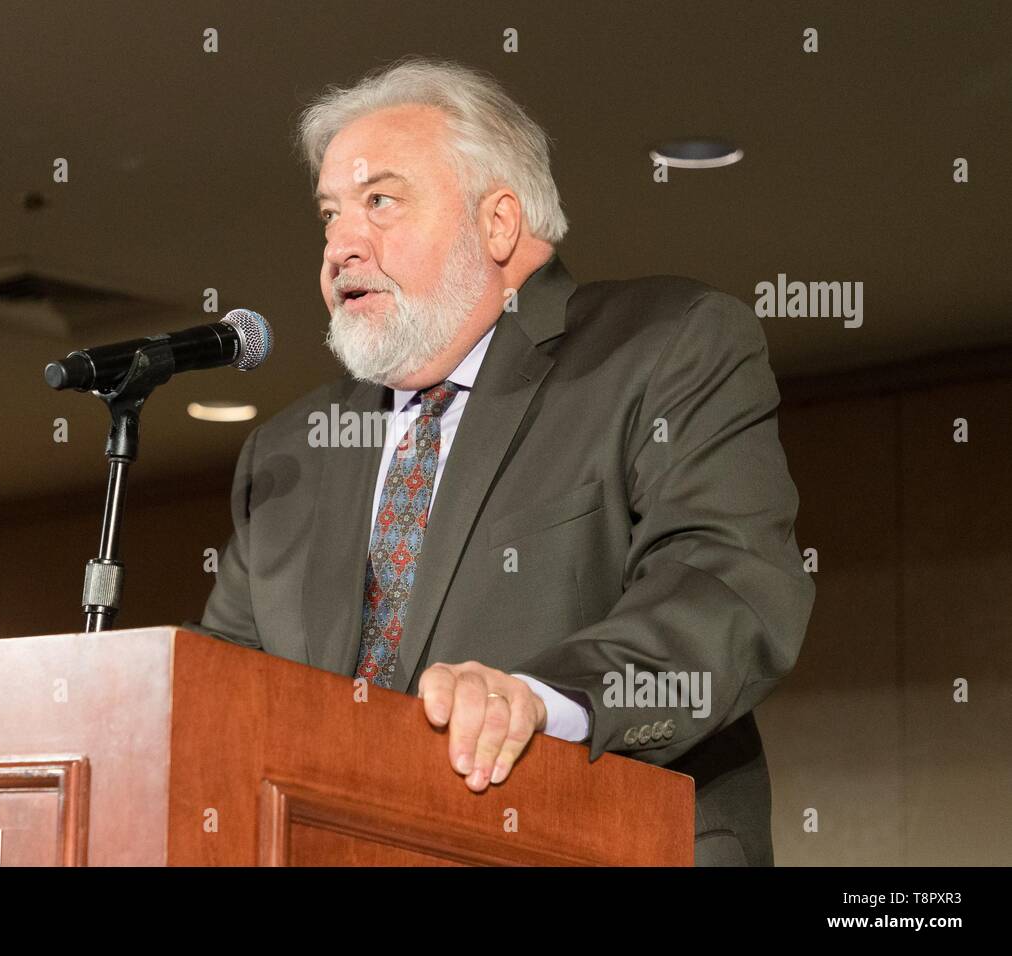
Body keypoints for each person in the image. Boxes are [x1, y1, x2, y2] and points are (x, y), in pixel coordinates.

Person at [187, 56, 814, 866]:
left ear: (499, 223)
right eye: (331, 214)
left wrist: (540, 701)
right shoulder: (289, 450)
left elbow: (728, 585)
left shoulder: (666, 346)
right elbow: (225, 693)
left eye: (380, 201)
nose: (341, 245)